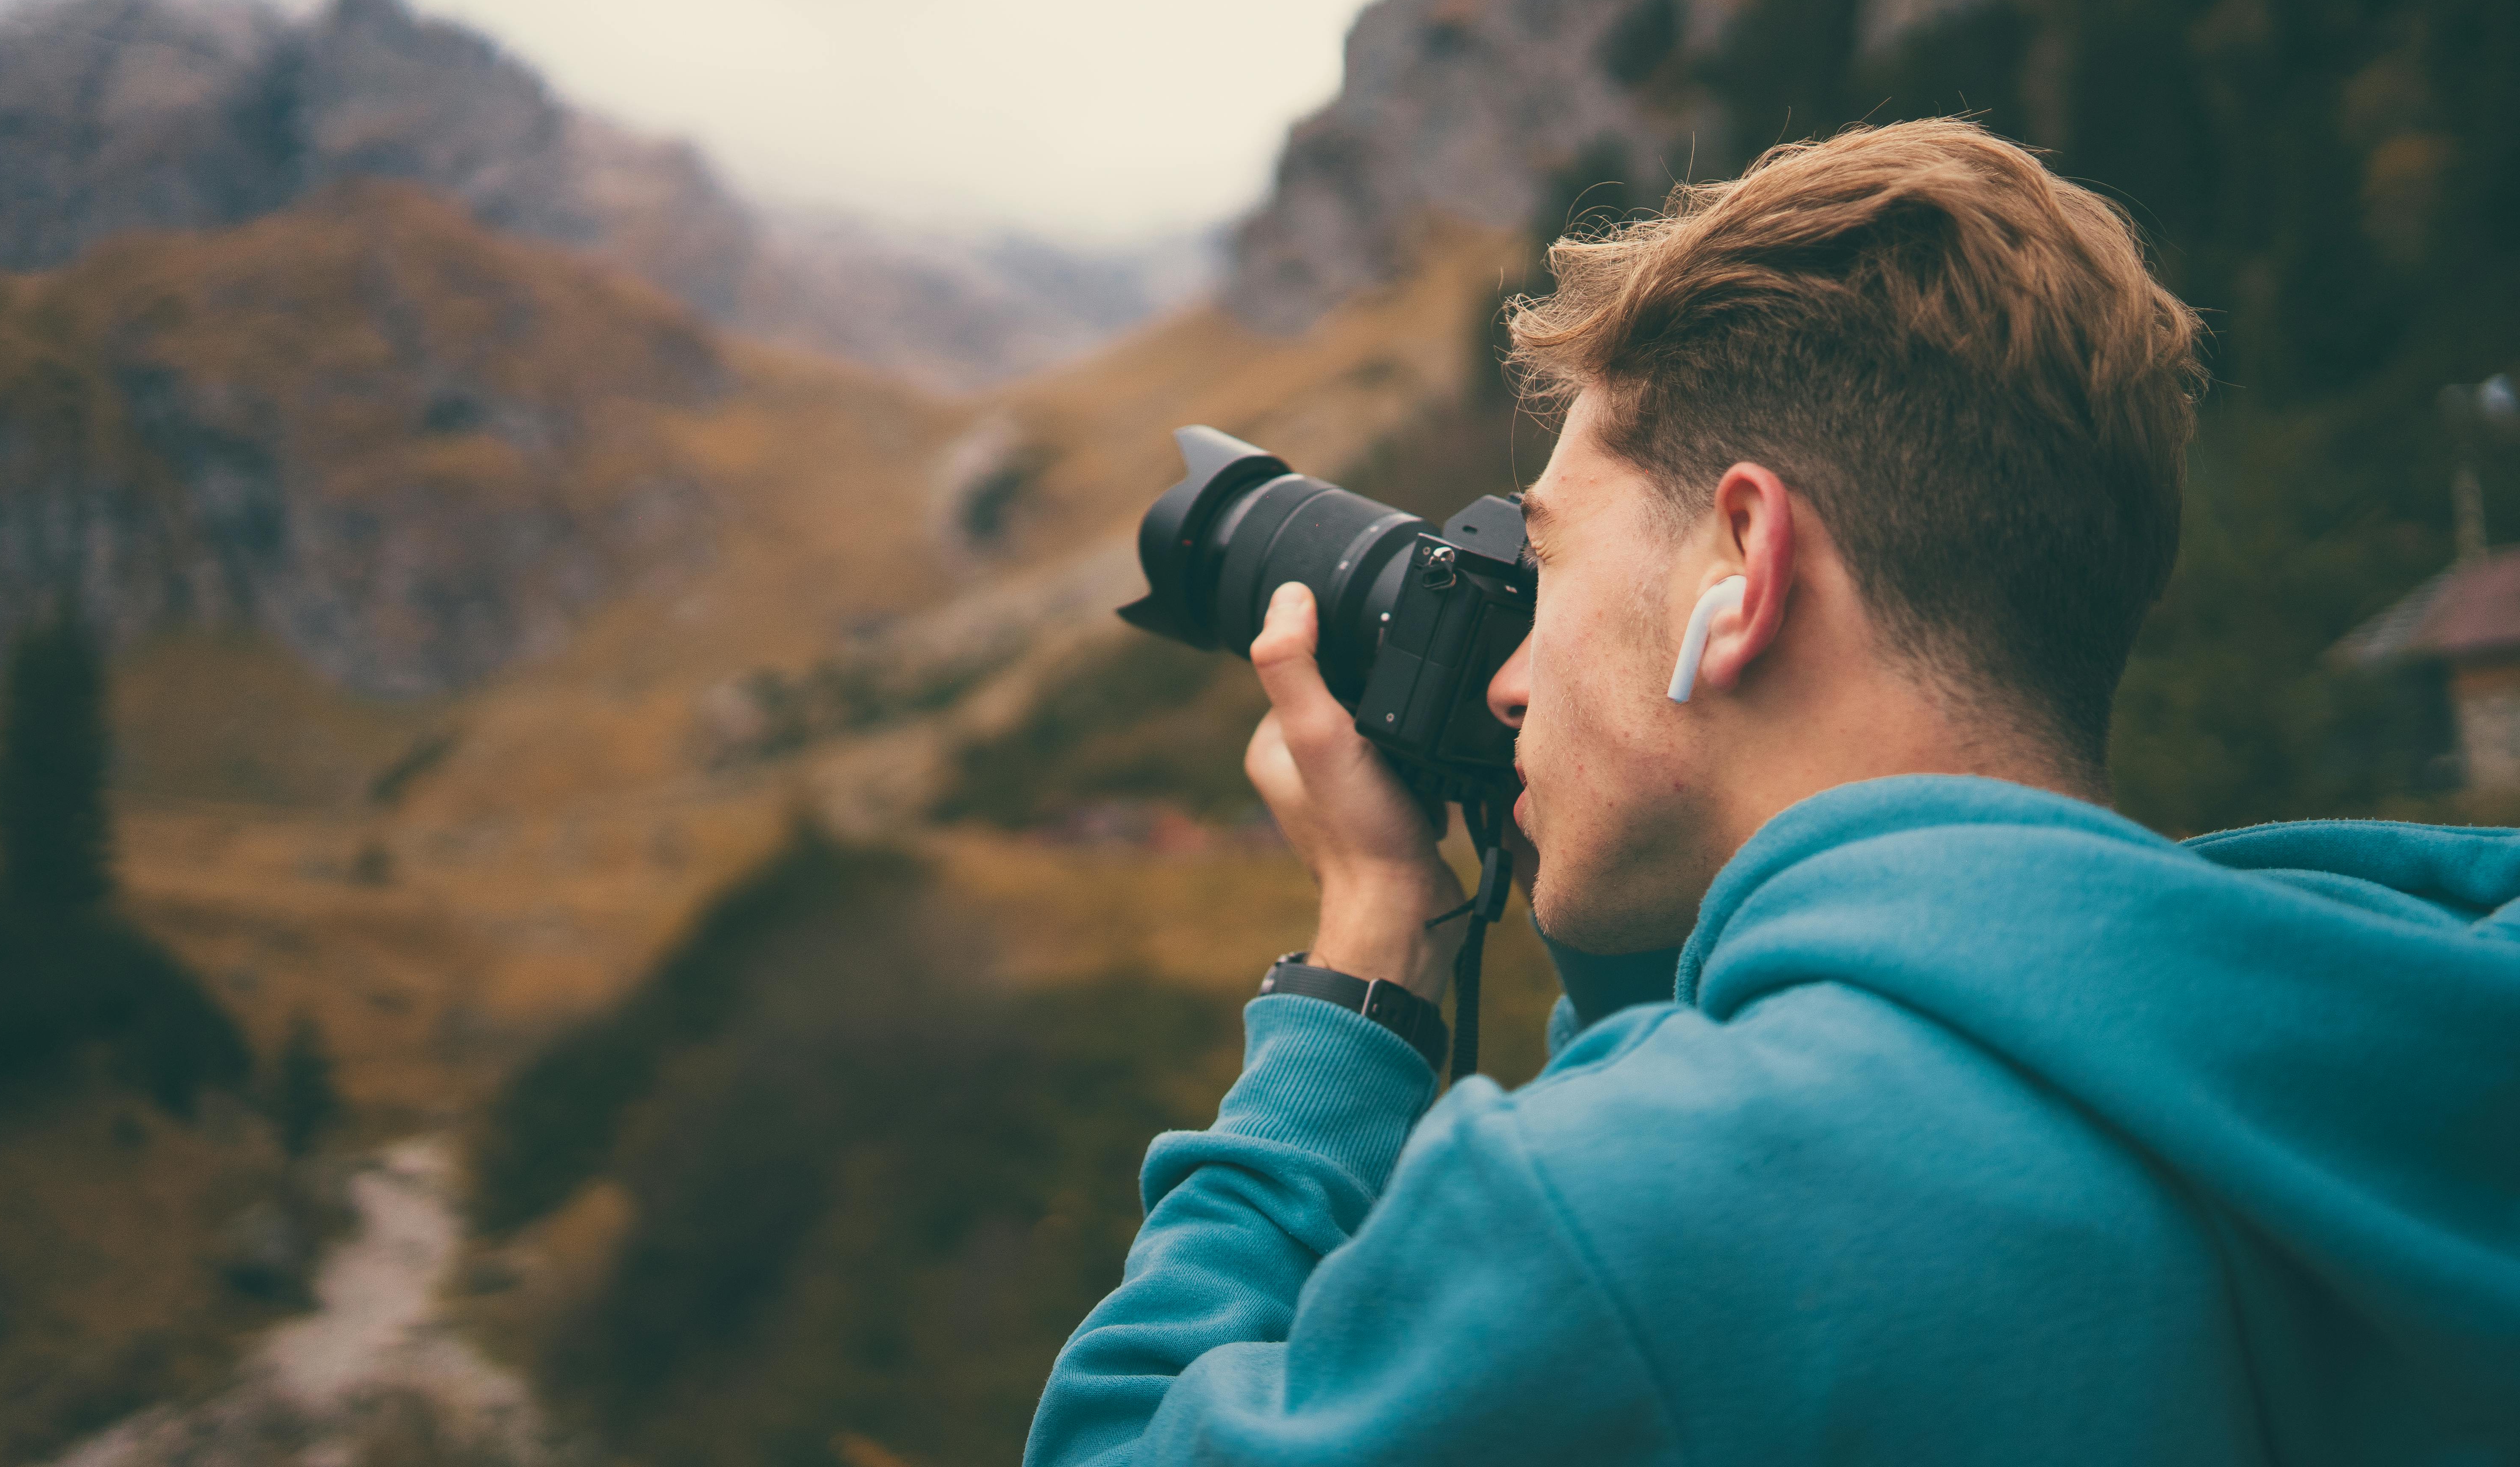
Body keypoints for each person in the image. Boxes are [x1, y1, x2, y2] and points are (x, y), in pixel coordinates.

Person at [1025, 119, 2520, 1466]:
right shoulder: (2389, 1038)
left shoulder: (1642, 1213)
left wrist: (1360, 974)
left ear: (1741, 569)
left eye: (1542, 563)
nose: (1506, 681)